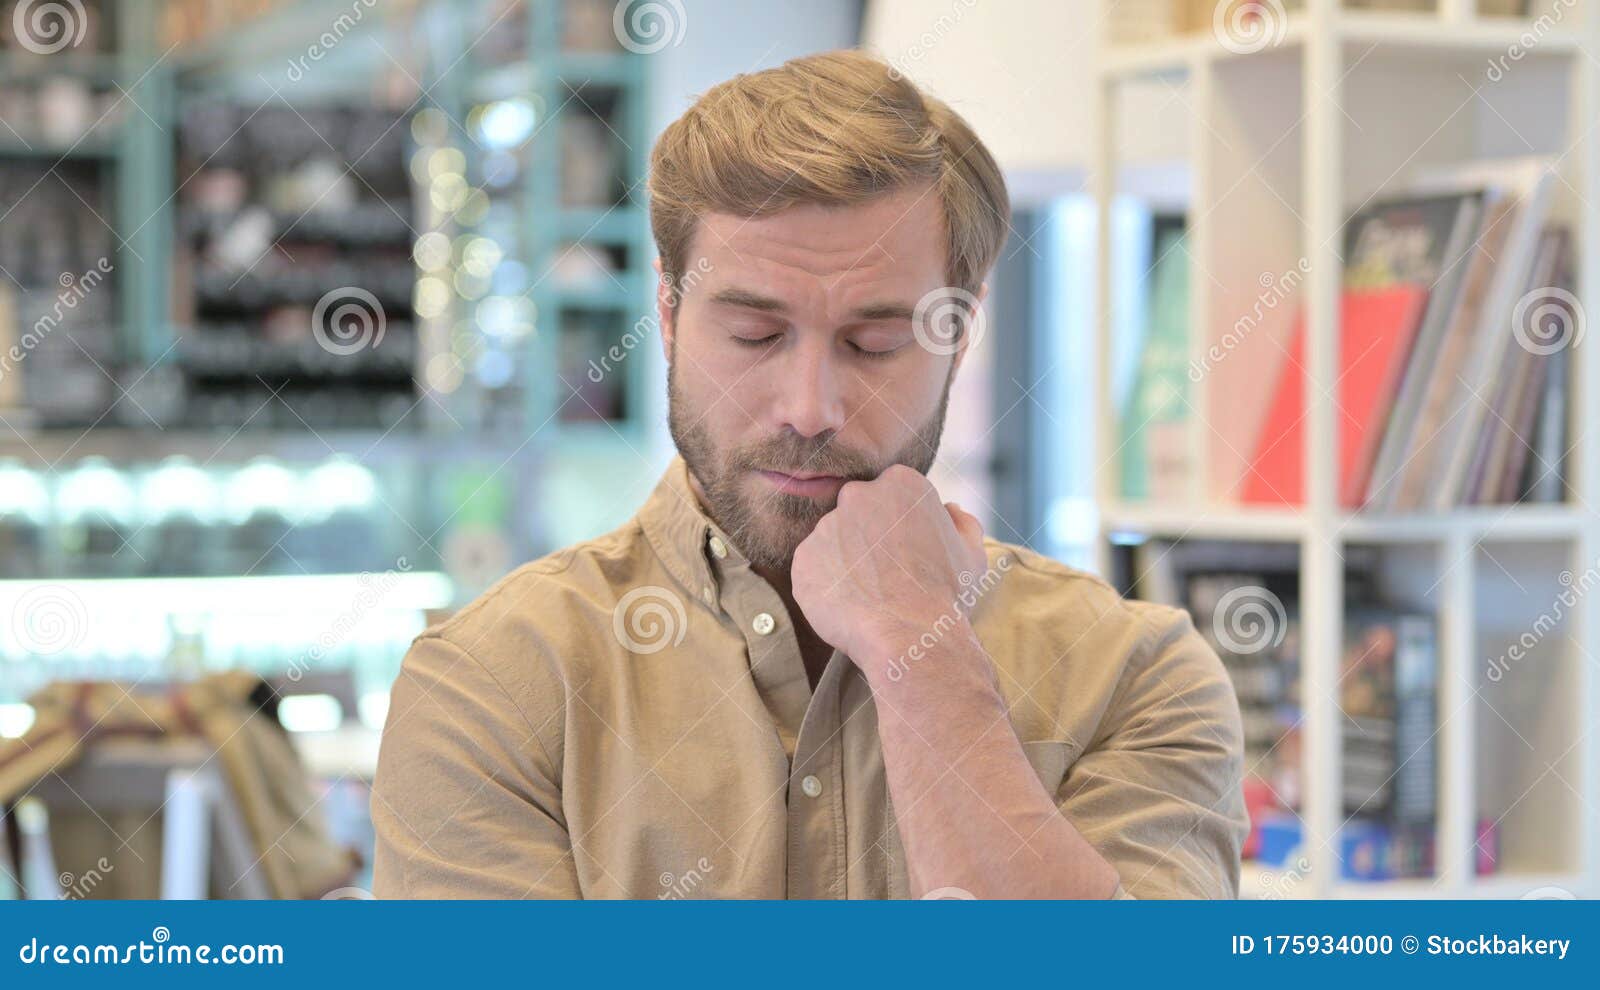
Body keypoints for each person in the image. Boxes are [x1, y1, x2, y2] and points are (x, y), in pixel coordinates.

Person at [371, 50, 1246, 899]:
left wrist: (919, 651)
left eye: (875, 343)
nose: (809, 407)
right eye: (755, 335)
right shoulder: (492, 686)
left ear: (958, 337)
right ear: (669, 318)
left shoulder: (1132, 677)